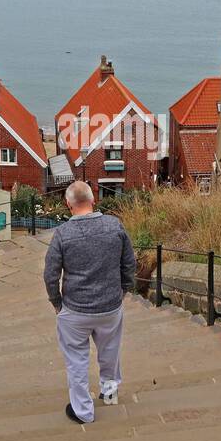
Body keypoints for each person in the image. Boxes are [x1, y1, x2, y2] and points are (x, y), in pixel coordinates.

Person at [42, 180, 135, 424]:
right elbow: (129, 264)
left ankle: (83, 411)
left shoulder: (62, 234)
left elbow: (50, 274)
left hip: (75, 309)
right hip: (110, 306)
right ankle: (110, 393)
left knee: (76, 361)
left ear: (68, 205)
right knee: (110, 352)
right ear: (93, 201)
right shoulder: (114, 226)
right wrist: (122, 291)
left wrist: (57, 304)